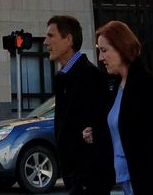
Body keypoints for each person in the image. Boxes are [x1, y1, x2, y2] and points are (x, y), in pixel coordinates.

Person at [85, 20, 153, 195]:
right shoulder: (118, 87)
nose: (100, 58)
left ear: (121, 48)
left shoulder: (145, 86)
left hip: (146, 185)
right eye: (99, 51)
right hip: (126, 182)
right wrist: (96, 133)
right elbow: (120, 130)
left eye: (104, 50)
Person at [45, 14, 114, 195]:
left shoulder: (90, 76)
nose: (46, 42)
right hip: (73, 177)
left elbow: (99, 129)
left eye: (51, 36)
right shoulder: (62, 77)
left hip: (90, 179)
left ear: (68, 40)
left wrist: (84, 178)